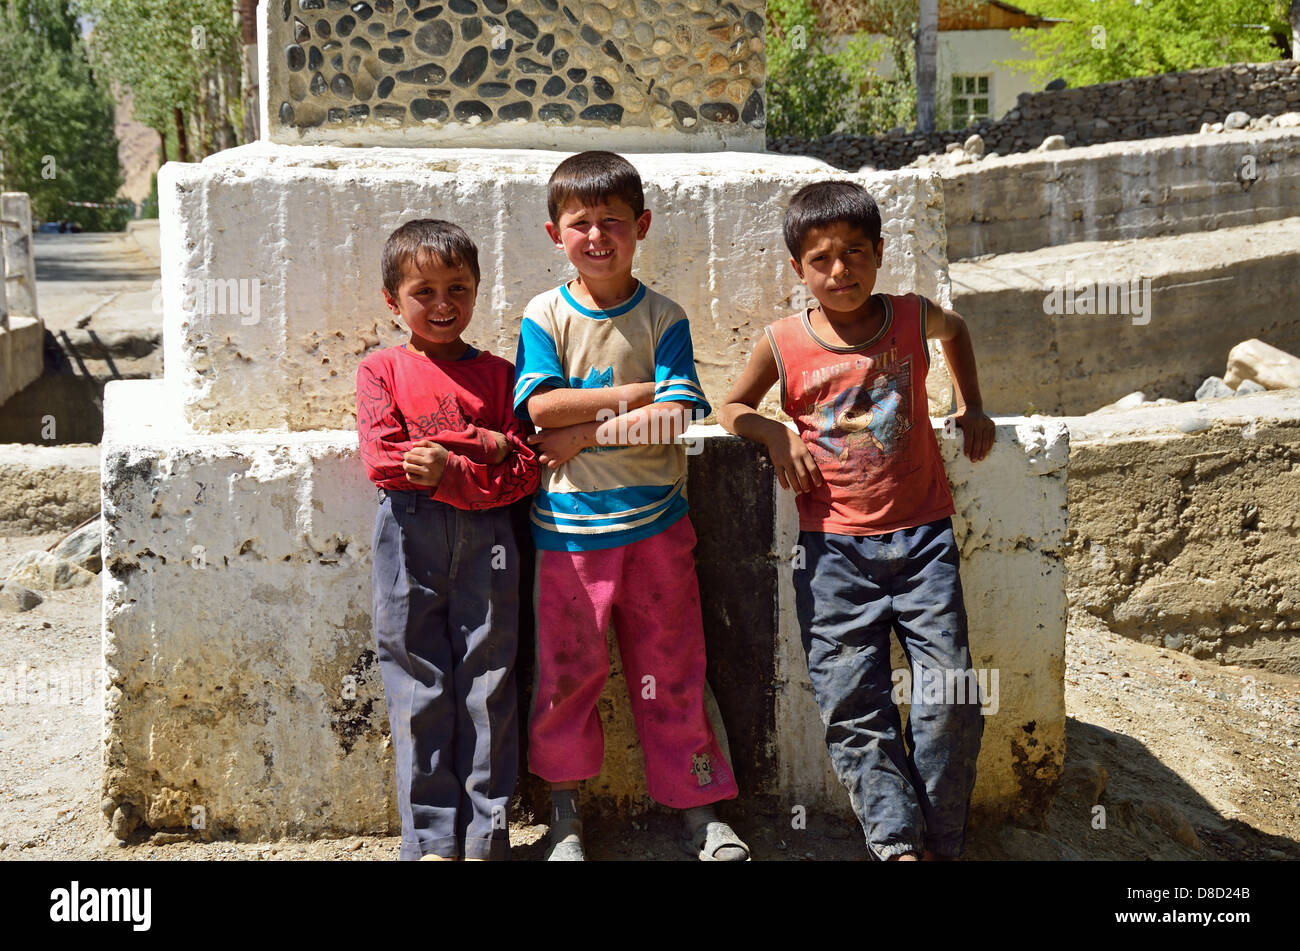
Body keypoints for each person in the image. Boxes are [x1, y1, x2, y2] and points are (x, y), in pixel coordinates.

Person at [718, 180, 994, 861]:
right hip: (833, 553)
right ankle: (898, 844)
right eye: (821, 259)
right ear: (798, 268)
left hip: (924, 540)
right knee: (853, 702)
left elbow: (956, 329)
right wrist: (777, 434)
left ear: (878, 253)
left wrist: (971, 404)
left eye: (855, 253)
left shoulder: (909, 316)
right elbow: (730, 407)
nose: (840, 271)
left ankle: (940, 840)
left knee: (950, 691)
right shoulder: (783, 341)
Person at [512, 150, 749, 861]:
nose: (597, 236)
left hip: (657, 528)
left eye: (612, 221)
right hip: (570, 535)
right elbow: (540, 408)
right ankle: (564, 815)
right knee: (567, 672)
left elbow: (677, 416)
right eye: (579, 223)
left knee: (674, 663)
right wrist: (635, 394)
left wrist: (583, 430)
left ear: (640, 225)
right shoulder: (544, 314)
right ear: (556, 234)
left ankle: (700, 807)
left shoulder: (663, 316)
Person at [356, 218, 539, 860]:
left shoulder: (499, 375)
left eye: (457, 289)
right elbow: (384, 459)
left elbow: (522, 470)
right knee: (417, 684)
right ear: (393, 300)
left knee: (489, 684)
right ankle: (432, 840)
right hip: (409, 538)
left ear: (477, 289)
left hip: (491, 540)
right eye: (423, 291)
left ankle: (487, 835)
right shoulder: (382, 370)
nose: (442, 305)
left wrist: (452, 462)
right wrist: (481, 446)